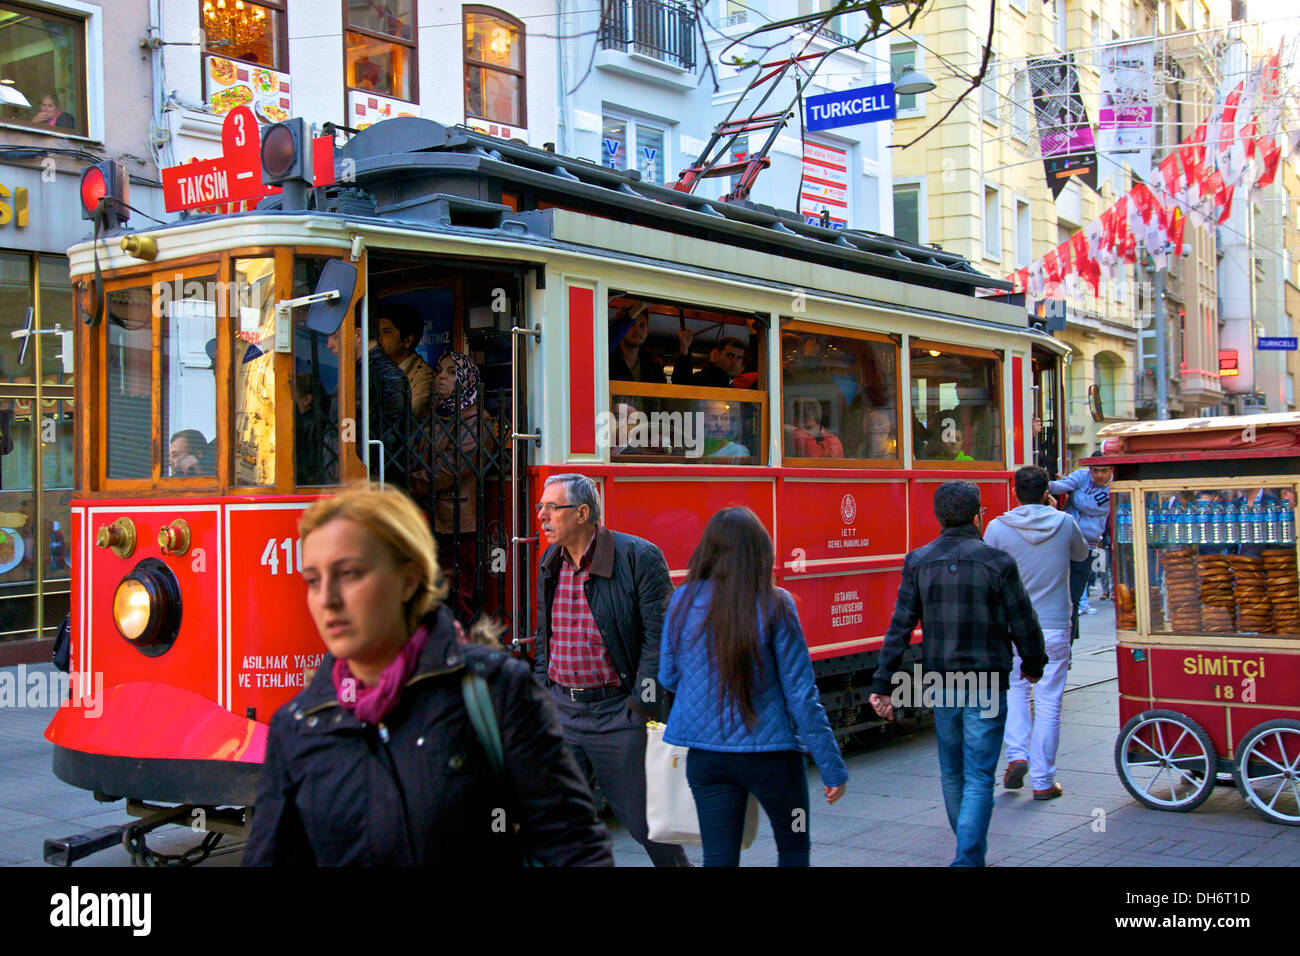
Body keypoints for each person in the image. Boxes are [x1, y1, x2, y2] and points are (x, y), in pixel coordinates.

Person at [244, 483, 614, 866]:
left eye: (350, 573)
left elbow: (574, 847)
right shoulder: (298, 726)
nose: (327, 599)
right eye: (314, 580)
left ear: (407, 579)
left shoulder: (494, 692)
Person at [868, 481, 1047, 867]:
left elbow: (900, 625)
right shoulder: (998, 562)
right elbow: (1023, 620)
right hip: (986, 679)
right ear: (977, 514)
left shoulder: (919, 560)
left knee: (952, 773)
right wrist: (1034, 665)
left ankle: (968, 853)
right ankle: (968, 858)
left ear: (938, 516)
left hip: (942, 680)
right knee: (980, 775)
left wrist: (883, 683)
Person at [659, 507, 847, 866]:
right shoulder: (777, 603)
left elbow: (667, 677)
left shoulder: (681, 601)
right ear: (760, 551)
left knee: (718, 857)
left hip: (707, 760)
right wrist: (832, 767)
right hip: (772, 759)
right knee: (793, 847)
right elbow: (801, 696)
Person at [533, 473, 690, 867]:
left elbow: (662, 639)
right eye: (541, 507)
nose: (543, 516)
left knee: (645, 823)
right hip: (563, 709)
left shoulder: (638, 557)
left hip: (617, 714)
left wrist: (640, 706)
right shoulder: (550, 562)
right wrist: (541, 694)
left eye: (553, 507)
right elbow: (544, 637)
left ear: (582, 513)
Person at [984, 466, 1088, 800]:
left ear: (1015, 493)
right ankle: (1043, 782)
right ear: (1049, 493)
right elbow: (1082, 554)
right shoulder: (1064, 523)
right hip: (1055, 625)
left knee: (1014, 691)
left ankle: (1016, 755)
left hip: (1011, 626)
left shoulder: (998, 527)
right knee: (1048, 703)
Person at [428, 350, 495, 624]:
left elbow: (453, 468)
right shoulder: (433, 415)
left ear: (466, 379)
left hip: (459, 519)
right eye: (439, 371)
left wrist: (417, 480)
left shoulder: (478, 420)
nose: (441, 377)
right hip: (433, 516)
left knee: (458, 593)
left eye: (451, 372)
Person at [327, 313, 411, 487]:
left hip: (370, 483)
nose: (329, 345)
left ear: (358, 335)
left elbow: (390, 442)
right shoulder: (354, 372)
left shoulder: (387, 376)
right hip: (352, 478)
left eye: (335, 336)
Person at [1049, 463, 1113, 635]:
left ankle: (1070, 636)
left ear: (1111, 471)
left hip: (1087, 544)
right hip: (1064, 540)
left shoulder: (1111, 490)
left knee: (1075, 595)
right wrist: (1044, 484)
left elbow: (1088, 505)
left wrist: (1072, 491)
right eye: (1095, 470)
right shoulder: (1081, 475)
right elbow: (1060, 486)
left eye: (1103, 470)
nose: (1098, 475)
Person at [375, 305, 434, 420]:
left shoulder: (424, 377)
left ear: (407, 341)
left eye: (386, 332)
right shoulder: (377, 370)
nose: (379, 338)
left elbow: (405, 419)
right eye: (377, 332)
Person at [609, 303, 667, 384]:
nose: (637, 330)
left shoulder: (653, 365)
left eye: (642, 325)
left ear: (647, 329)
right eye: (631, 324)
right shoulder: (607, 359)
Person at [674, 333, 749, 388]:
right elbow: (681, 382)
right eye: (730, 356)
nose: (734, 362)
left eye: (739, 357)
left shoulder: (727, 384)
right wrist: (684, 349)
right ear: (716, 355)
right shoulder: (704, 379)